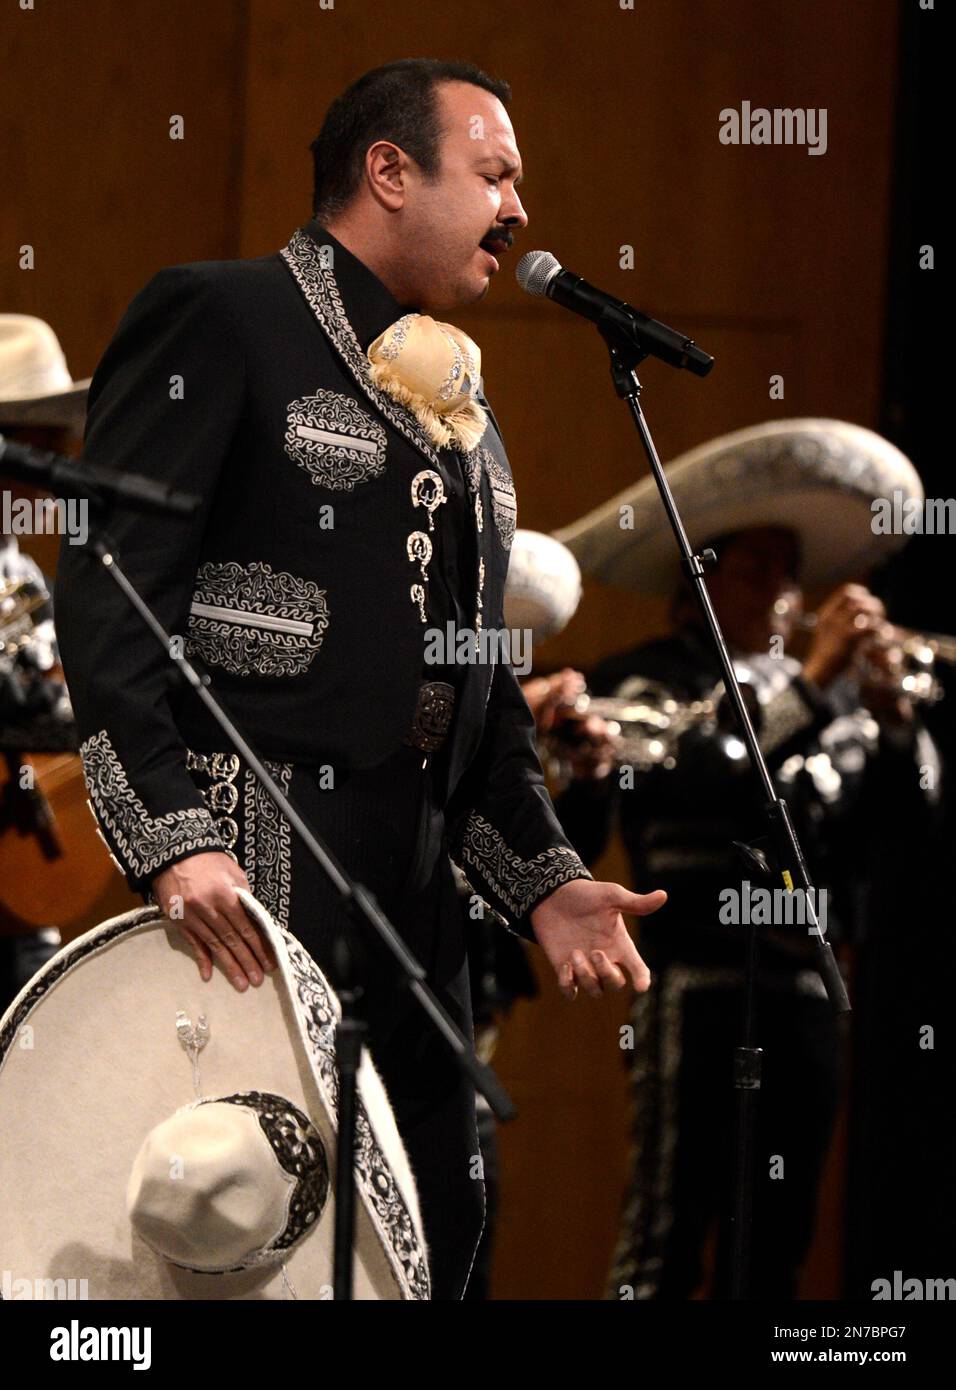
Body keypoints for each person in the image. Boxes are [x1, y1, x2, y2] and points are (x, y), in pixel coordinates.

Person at [53, 58, 667, 1299]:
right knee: (255, 1236)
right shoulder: (219, 316)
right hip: (247, 874)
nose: (519, 209)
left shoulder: (469, 418)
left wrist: (547, 886)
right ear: (388, 172)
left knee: (440, 1230)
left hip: (415, 898)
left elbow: (476, 698)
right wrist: (174, 839)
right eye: (494, 173)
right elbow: (111, 601)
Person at [552, 420, 939, 1298]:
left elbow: (913, 831)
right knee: (665, 1237)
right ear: (700, 582)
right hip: (697, 985)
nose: (787, 596)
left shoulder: (836, 700)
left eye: (793, 574)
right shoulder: (651, 677)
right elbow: (706, 785)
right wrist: (814, 684)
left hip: (809, 991)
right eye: (760, 569)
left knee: (775, 1253)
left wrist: (897, 722)